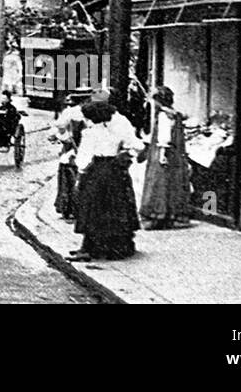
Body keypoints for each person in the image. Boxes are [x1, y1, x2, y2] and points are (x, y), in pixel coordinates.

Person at [69, 100, 143, 261]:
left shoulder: (89, 133)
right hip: (114, 171)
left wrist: (80, 172)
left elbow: (84, 156)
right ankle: (114, 247)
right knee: (113, 208)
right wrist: (125, 155)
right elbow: (137, 145)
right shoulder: (114, 132)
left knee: (92, 208)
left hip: (96, 171)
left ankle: (89, 248)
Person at [139, 85, 192, 230]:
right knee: (173, 184)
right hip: (176, 154)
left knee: (158, 183)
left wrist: (162, 154)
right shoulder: (175, 114)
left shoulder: (163, 115)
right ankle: (172, 216)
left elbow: (164, 136)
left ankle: (157, 216)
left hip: (164, 152)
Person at [51, 89, 90, 220]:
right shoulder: (91, 112)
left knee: (68, 175)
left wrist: (58, 136)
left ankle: (68, 206)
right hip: (86, 149)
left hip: (73, 150)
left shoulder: (69, 112)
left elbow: (58, 128)